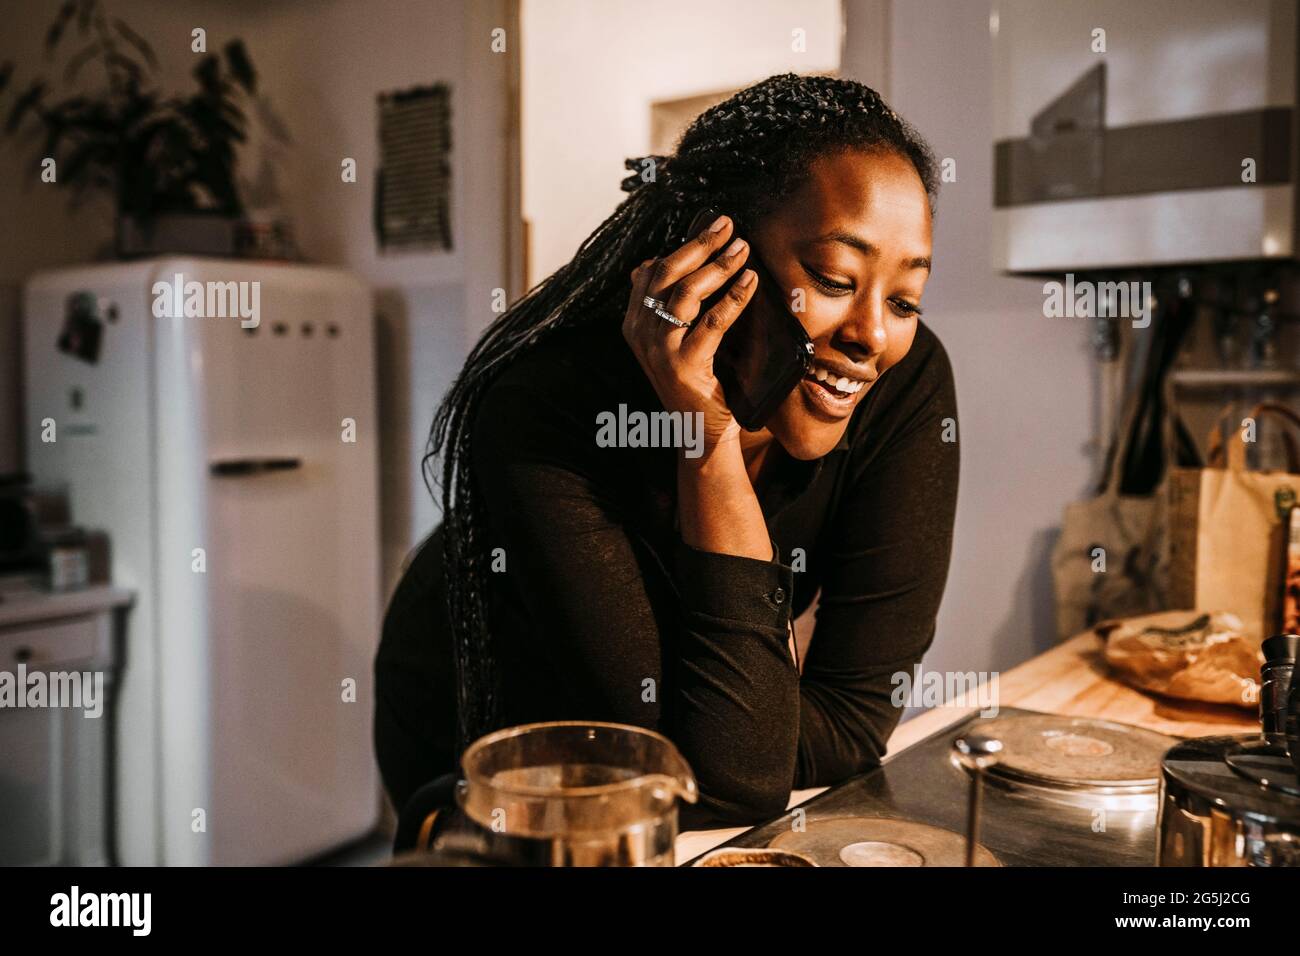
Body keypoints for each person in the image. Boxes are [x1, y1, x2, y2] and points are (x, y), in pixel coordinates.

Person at [375, 73, 958, 830]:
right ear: (712, 256)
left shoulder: (903, 385)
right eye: (833, 279)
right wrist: (706, 435)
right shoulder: (546, 404)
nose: (872, 336)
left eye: (905, 299)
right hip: (487, 740)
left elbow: (842, 729)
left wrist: (727, 733)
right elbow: (728, 781)